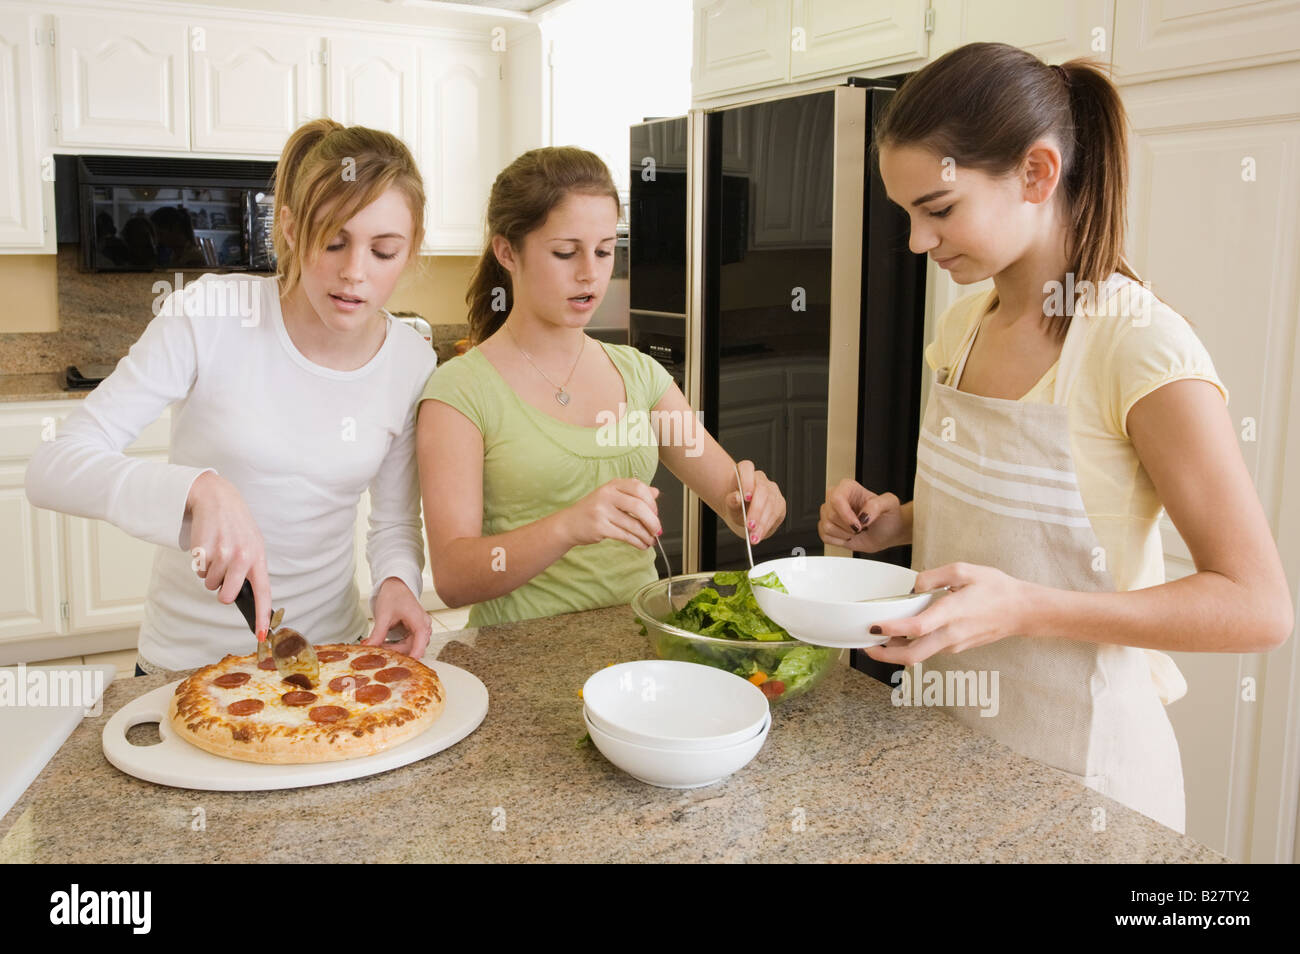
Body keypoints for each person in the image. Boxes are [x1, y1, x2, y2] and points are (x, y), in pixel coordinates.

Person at [818, 43, 1292, 833]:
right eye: (907, 215)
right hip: (952, 748)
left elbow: (1258, 607)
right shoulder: (963, 327)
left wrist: (1028, 608)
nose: (916, 242)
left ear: (1037, 174)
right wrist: (897, 520)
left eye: (937, 209)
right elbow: (1000, 525)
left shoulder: (1139, 346)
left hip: (1089, 781)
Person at [26, 119, 437, 672]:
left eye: (383, 251)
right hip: (185, 666)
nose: (354, 273)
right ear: (289, 228)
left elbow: (392, 523)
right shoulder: (210, 314)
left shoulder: (411, 359)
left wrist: (397, 581)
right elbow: (52, 467)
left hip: (327, 659)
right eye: (333, 241)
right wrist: (197, 488)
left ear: (409, 251)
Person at [418, 146, 786, 626]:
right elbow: (453, 576)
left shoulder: (640, 375)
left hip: (639, 647)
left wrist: (752, 502)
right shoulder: (460, 392)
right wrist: (569, 526)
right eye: (565, 252)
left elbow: (728, 494)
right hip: (517, 656)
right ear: (507, 251)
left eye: (605, 250)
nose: (590, 272)